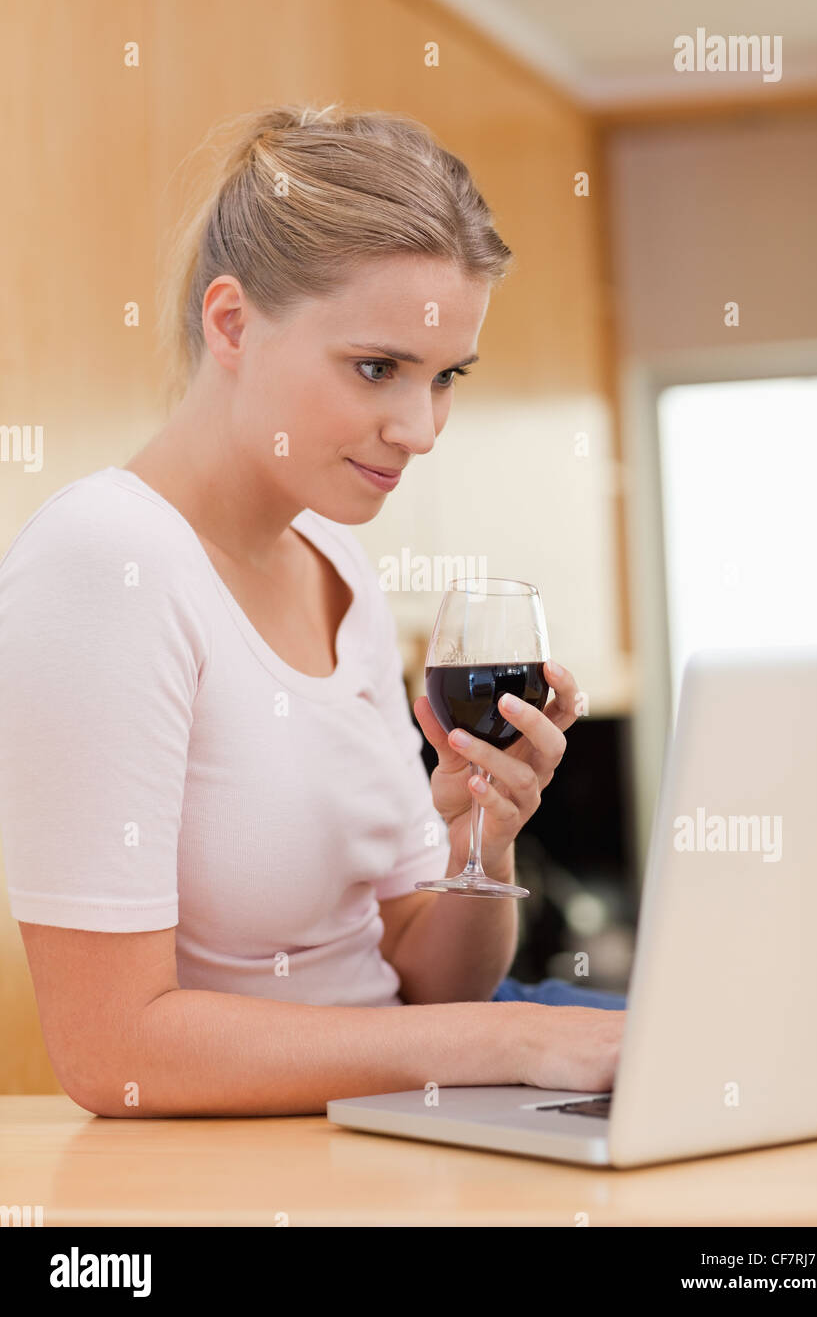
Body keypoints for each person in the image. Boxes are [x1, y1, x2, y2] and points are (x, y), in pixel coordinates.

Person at [0, 103, 625, 1118]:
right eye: (377, 368)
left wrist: (480, 842)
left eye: (444, 377)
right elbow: (110, 1050)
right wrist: (514, 1033)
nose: (419, 429)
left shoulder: (335, 559)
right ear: (233, 324)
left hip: (395, 1115)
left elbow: (427, 983)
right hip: (267, 1157)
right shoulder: (105, 562)